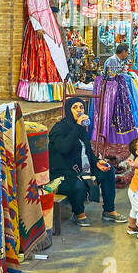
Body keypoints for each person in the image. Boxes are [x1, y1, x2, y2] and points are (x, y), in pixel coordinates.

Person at [48, 97, 123, 227]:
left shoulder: (81, 128)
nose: (79, 110)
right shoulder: (59, 128)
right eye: (75, 107)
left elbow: (86, 151)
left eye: (81, 107)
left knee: (108, 170)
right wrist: (77, 127)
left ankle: (109, 211)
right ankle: (79, 214)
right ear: (68, 110)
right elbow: (64, 149)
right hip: (62, 174)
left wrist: (96, 161)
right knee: (78, 184)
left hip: (83, 169)